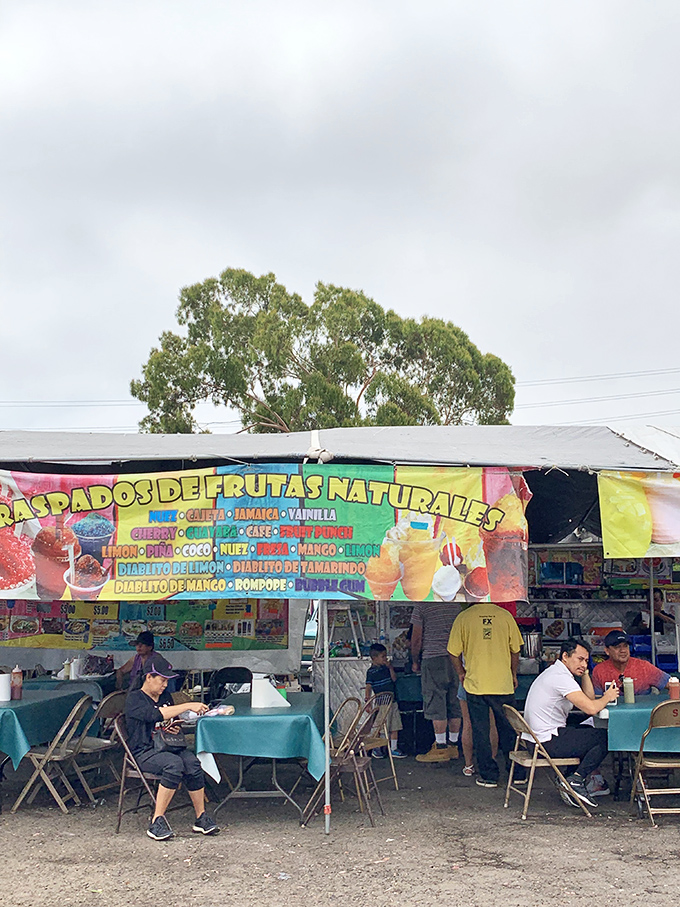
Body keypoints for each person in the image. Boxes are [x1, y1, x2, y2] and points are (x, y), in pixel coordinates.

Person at [522, 637, 620, 810]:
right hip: (545, 742)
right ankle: (576, 779)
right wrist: (607, 696)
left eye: (586, 660)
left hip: (535, 739)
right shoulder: (560, 678)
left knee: (587, 728)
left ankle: (567, 778)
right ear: (565, 656)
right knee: (605, 737)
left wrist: (586, 672)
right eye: (580, 659)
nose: (583, 664)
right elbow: (590, 707)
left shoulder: (557, 672)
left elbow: (588, 698)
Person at [124, 664, 219, 840]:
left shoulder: (165, 697)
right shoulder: (134, 699)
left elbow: (170, 718)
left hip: (167, 745)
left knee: (193, 763)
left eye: (167, 681)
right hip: (144, 751)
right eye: (162, 680)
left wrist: (174, 726)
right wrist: (188, 705)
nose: (165, 685)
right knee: (173, 765)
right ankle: (156, 821)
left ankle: (201, 817)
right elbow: (155, 715)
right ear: (149, 678)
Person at [448, 602, 525, 788]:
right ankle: (517, 773)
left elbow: (452, 652)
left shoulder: (464, 617)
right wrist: (513, 673)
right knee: (509, 730)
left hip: (476, 685)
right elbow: (516, 650)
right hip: (502, 685)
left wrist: (460, 672)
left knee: (480, 731)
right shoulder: (505, 616)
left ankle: (489, 776)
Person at [410, 600, 462, 763]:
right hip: (456, 658)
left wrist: (414, 660)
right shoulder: (456, 605)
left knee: (435, 700)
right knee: (455, 701)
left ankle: (440, 748)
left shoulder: (422, 606)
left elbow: (416, 638)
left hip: (433, 658)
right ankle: (453, 746)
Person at [592, 630, 670, 696]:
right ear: (607, 651)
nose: (623, 650)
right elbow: (597, 698)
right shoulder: (599, 671)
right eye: (617, 647)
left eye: (625, 646)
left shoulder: (644, 666)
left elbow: (671, 683)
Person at [365, 643, 406, 759]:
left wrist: (390, 668)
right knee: (381, 727)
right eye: (383, 657)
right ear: (374, 658)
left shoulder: (386, 668)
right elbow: (368, 687)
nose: (385, 659)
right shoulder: (371, 672)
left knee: (395, 726)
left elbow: (394, 678)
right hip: (382, 703)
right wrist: (367, 701)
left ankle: (393, 748)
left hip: (393, 702)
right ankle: (378, 748)